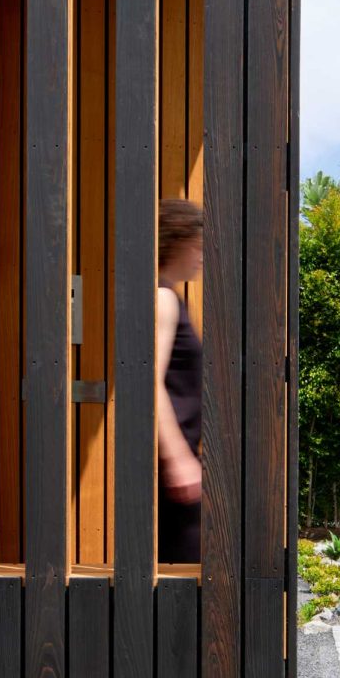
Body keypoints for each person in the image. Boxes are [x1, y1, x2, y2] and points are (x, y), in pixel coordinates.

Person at [157, 199, 203, 564]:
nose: (202, 255)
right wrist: (178, 460)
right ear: (175, 241)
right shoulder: (163, 300)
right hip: (171, 473)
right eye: (198, 245)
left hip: (177, 469)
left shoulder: (170, 296)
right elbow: (149, 383)